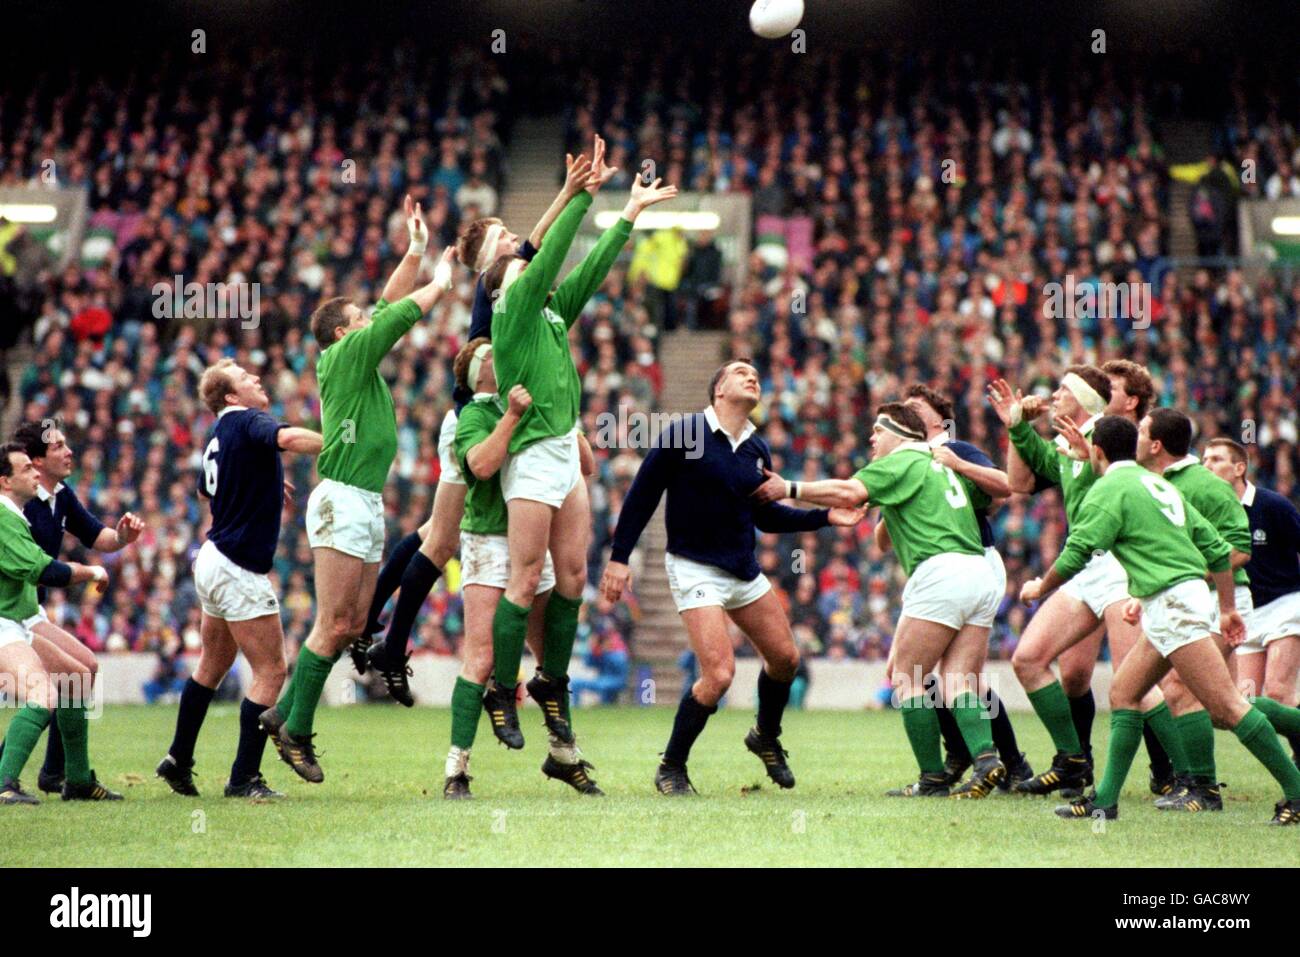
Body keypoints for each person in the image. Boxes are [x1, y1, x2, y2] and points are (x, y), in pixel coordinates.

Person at [356, 151, 607, 703]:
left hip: (497, 416)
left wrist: (567, 193)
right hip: (477, 419)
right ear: (488, 256)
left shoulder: (501, 281)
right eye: (504, 236)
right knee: (441, 538)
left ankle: (380, 634)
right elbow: (536, 247)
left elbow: (531, 248)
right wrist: (567, 195)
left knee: (432, 535)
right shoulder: (499, 284)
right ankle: (384, 641)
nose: (516, 238)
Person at [478, 158, 676, 748]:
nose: (527, 266)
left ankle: (551, 681)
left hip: (563, 449)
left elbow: (587, 271)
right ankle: (501, 687)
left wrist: (629, 216)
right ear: (502, 284)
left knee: (572, 577)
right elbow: (552, 258)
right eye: (519, 264)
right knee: (524, 577)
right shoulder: (509, 311)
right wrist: (583, 199)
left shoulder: (547, 314)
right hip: (533, 453)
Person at [1016, 416, 1300, 825]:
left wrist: (1039, 587)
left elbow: (1079, 548)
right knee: (1125, 693)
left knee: (1229, 707)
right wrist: (1225, 607)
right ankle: (1104, 802)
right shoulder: (1160, 485)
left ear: (1097, 451)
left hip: (1173, 604)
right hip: (1174, 602)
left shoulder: (1113, 487)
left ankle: (1294, 792)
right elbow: (1218, 549)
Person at [260, 200, 458, 784]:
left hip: (363, 499)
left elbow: (387, 307)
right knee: (335, 622)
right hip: (342, 495)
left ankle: (287, 716)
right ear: (346, 333)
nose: (371, 320)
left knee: (351, 624)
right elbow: (400, 315)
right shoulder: (346, 353)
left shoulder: (353, 354)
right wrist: (442, 282)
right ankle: (295, 728)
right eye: (360, 319)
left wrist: (417, 252)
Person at [602, 359, 861, 795]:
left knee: (785, 659)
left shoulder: (757, 448)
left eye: (756, 374)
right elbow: (642, 494)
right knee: (719, 674)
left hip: (742, 567)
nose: (752, 376)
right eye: (740, 372)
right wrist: (619, 558)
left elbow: (765, 515)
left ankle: (764, 735)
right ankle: (671, 767)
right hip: (693, 564)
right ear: (719, 389)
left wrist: (825, 517)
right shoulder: (684, 433)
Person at [778, 403, 1009, 799]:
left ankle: (933, 777)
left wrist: (789, 488)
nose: (871, 439)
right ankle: (987, 759)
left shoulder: (902, 460)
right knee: (959, 679)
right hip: (980, 571)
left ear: (899, 435)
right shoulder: (943, 464)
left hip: (941, 572)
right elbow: (994, 497)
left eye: (877, 431)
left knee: (906, 678)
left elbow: (850, 491)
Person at [987, 363, 1180, 798]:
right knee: (1033, 660)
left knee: (1132, 682)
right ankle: (1073, 760)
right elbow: (1018, 482)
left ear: (1086, 400)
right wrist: (1018, 426)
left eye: (1062, 390)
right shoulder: (1067, 441)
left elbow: (1126, 488)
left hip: (1119, 566)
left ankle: (1189, 777)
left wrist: (1047, 581)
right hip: (1088, 566)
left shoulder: (1113, 441)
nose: (1053, 395)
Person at [155, 360, 323, 799]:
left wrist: (260, 484)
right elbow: (287, 437)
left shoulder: (216, 433)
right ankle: (244, 778)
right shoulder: (249, 419)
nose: (257, 379)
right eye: (246, 378)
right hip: (237, 566)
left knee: (211, 666)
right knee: (271, 670)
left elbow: (204, 491)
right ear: (231, 396)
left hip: (211, 558)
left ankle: (178, 759)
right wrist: (339, 443)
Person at [442, 338, 601, 799]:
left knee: (550, 654)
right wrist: (512, 417)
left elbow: (585, 465)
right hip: (490, 539)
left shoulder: (536, 398)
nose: (499, 355)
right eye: (487, 356)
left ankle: (564, 754)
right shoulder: (472, 415)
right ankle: (457, 768)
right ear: (475, 376)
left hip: (533, 541)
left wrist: (563, 420)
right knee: (482, 656)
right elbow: (483, 466)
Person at [900, 384, 1034, 792]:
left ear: (940, 421)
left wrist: (957, 463)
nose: (907, 412)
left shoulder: (954, 448)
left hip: (974, 560)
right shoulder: (909, 459)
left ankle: (993, 759)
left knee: (946, 676)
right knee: (955, 677)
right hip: (952, 568)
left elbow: (1004, 487)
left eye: (916, 408)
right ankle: (988, 758)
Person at [0, 419, 143, 794]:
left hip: (26, 609)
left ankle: (63, 775)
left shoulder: (59, 495)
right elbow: (44, 570)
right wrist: (88, 570)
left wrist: (124, 536)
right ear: (35, 461)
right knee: (46, 691)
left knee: (80, 673)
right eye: (59, 446)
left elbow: (101, 536)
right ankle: (13, 774)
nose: (69, 452)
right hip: (13, 612)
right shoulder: (15, 508)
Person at [1137, 409, 1252, 811]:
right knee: (1224, 705)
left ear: (1156, 444)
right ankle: (1191, 782)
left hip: (1222, 602)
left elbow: (1239, 548)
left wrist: (1192, 580)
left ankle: (1200, 788)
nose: (1209, 464)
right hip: (1189, 600)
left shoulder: (1206, 487)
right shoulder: (1155, 484)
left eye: (1141, 431)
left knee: (1182, 690)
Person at [1202, 437, 1300, 765]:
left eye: (1215, 459)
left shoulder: (1273, 506)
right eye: (1203, 460)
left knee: (1277, 693)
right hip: (1246, 613)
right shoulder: (1207, 513)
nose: (1206, 466)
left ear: (1239, 468)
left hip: (1286, 605)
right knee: (1243, 703)